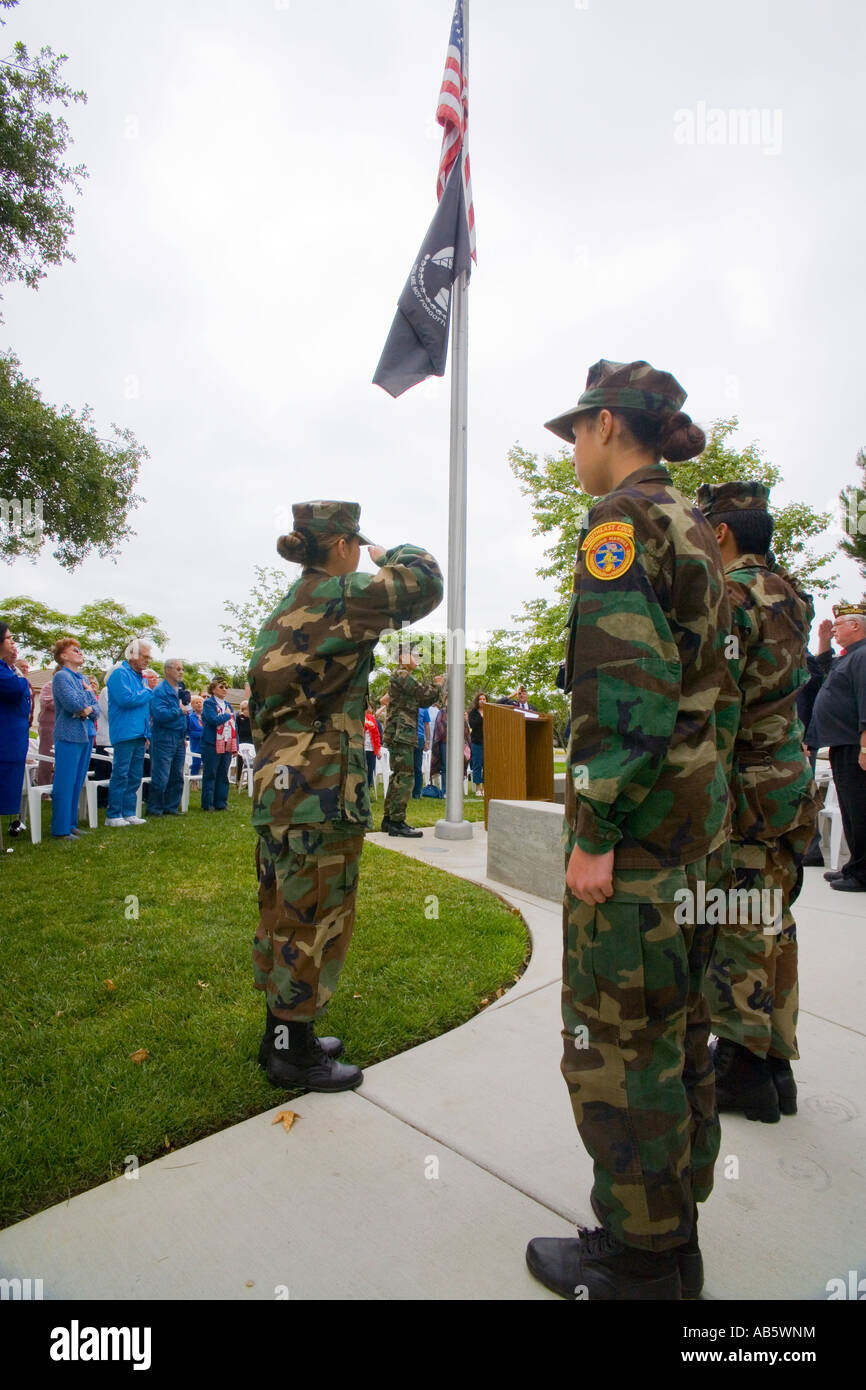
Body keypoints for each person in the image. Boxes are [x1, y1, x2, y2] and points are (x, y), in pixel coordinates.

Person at [526, 358, 734, 1301]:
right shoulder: (693, 525)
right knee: (679, 1037)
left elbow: (626, 691)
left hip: (641, 841)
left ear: (608, 425)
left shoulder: (623, 522)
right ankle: (673, 1241)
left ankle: (639, 1262)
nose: (572, 450)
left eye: (575, 431)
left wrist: (597, 827)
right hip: (693, 837)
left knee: (617, 1047)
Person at [248, 500, 443, 1092]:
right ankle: (294, 1054)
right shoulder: (341, 594)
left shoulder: (291, 602)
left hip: (280, 779)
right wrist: (391, 552)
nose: (362, 555)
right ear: (341, 546)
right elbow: (426, 579)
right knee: (314, 916)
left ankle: (279, 1036)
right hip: (319, 781)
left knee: (284, 908)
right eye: (356, 544)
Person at [697, 483, 819, 1122]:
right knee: (775, 919)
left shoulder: (732, 595)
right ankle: (774, 1062)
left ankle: (742, 1064)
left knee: (741, 916)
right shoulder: (793, 593)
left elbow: (720, 699)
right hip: (789, 781)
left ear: (720, 533)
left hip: (746, 784)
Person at [806, 601, 866, 892]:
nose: (834, 630)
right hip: (841, 743)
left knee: (860, 808)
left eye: (839, 626)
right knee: (851, 807)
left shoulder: (864, 656)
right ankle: (855, 866)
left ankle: (863, 873)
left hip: (856, 744)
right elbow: (823, 669)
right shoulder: (848, 657)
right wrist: (823, 640)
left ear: (855, 626)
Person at [381, 647, 443, 835]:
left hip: (401, 732)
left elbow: (423, 702)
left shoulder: (402, 675)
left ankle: (389, 820)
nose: (417, 659)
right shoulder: (402, 674)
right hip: (401, 732)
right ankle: (397, 822)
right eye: (414, 655)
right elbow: (423, 695)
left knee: (398, 776)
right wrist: (438, 685)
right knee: (405, 776)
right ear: (403, 657)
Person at [106, 639, 159, 827]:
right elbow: (126, 699)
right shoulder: (119, 674)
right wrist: (148, 691)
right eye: (144, 656)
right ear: (132, 654)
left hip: (139, 733)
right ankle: (113, 814)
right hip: (125, 731)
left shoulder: (141, 677)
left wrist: (147, 733)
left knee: (135, 775)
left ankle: (128, 812)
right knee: (121, 773)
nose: (147, 660)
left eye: (149, 657)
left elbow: (145, 707)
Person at [50, 639, 97, 840]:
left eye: (80, 649)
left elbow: (96, 709)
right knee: (65, 782)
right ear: (63, 656)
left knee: (77, 782)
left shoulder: (82, 678)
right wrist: (86, 701)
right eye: (74, 650)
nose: (79, 652)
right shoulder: (61, 677)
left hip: (84, 734)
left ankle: (71, 824)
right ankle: (60, 829)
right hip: (68, 734)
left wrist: (86, 707)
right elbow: (73, 704)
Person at [0, 622, 32, 838]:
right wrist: (21, 679)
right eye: (9, 638)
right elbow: (15, 688)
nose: (13, 642)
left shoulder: (7, 669)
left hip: (14, 736)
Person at [148, 659, 189, 817]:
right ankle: (155, 808)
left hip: (179, 736)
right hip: (164, 737)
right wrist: (179, 711)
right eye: (178, 669)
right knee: (161, 775)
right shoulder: (160, 691)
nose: (181, 672)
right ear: (167, 671)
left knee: (177, 775)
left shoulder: (180, 689)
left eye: (182, 669)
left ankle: (171, 807)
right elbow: (159, 715)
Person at [200, 679, 236, 811]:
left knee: (223, 774)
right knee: (210, 774)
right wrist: (226, 716)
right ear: (213, 689)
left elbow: (234, 725)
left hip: (226, 743)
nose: (224, 689)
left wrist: (234, 744)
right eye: (221, 687)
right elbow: (213, 720)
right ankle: (208, 804)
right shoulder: (209, 704)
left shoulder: (228, 704)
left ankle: (221, 803)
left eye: (226, 687)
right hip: (212, 743)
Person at [36, 679, 55, 785]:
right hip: (48, 726)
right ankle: (43, 789)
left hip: (64, 727)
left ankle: (55, 787)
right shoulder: (49, 686)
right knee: (46, 759)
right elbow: (48, 703)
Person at [468, 691, 486, 794]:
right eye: (480, 699)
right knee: (477, 765)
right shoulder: (473, 713)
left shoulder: (490, 711)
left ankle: (484, 788)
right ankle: (478, 788)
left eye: (484, 699)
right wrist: (482, 716)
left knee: (487, 766)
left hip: (488, 742)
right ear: (477, 701)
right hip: (476, 742)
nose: (482, 701)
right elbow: (472, 724)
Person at [413, 703, 430, 798]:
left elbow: (426, 725)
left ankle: (416, 792)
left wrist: (427, 740)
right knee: (407, 767)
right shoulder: (406, 706)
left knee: (417, 767)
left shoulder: (424, 709)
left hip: (419, 739)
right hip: (407, 738)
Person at [364, 697, 381, 788]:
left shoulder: (372, 719)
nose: (369, 709)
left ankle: (367, 791)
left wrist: (377, 749)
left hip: (371, 749)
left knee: (370, 770)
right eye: (368, 707)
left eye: (370, 708)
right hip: (362, 748)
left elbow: (377, 735)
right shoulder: (359, 718)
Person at [187, 695, 204, 775]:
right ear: (193, 706)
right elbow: (188, 731)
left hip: (206, 743)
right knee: (196, 763)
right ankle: (194, 783)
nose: (199, 704)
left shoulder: (206, 717)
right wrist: (201, 734)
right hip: (196, 744)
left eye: (200, 702)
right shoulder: (190, 717)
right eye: (196, 703)